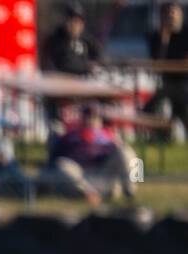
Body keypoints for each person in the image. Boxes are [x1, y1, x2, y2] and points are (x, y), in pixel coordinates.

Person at [42, 103, 138, 204]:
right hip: (78, 180)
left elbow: (131, 160)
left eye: (95, 117)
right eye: (87, 116)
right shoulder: (70, 136)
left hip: (103, 177)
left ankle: (131, 192)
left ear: (100, 120)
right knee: (63, 165)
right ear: (81, 118)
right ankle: (89, 194)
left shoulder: (110, 136)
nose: (90, 120)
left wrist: (118, 144)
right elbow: (54, 160)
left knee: (126, 151)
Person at [144, 3, 188, 137]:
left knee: (182, 105)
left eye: (174, 14)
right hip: (166, 82)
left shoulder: (186, 33)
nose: (171, 18)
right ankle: (157, 136)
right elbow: (157, 62)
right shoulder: (156, 36)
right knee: (151, 108)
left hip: (184, 82)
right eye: (167, 15)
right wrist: (165, 38)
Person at [41, 3, 103, 75]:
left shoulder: (84, 39)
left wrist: (96, 63)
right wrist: (87, 67)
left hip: (81, 81)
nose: (75, 26)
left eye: (79, 22)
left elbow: (98, 54)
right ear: (65, 22)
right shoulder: (56, 39)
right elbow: (65, 64)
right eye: (72, 21)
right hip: (59, 80)